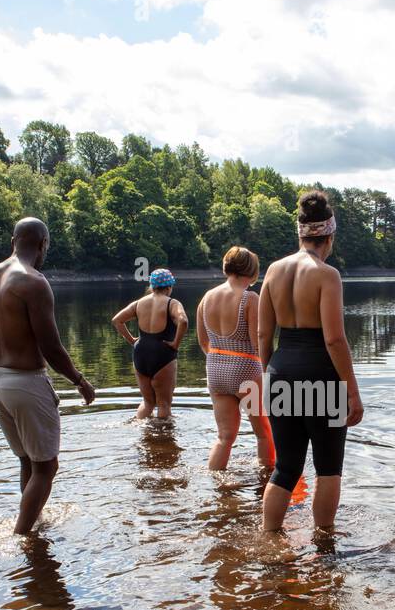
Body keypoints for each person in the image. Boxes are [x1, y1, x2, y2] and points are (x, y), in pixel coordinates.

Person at [0, 217, 96, 535]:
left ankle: (33, 521)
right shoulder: (33, 282)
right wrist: (79, 380)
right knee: (47, 467)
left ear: (13, 241)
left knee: (27, 460)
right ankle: (21, 536)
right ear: (43, 244)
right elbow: (51, 347)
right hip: (26, 383)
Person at [258, 190, 364, 531]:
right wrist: (353, 392)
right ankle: (323, 544)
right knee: (328, 468)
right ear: (329, 237)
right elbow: (334, 339)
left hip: (280, 370)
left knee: (286, 467)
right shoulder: (326, 275)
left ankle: (269, 537)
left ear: (300, 233)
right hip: (321, 375)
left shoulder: (273, 271)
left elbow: (263, 334)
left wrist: (268, 374)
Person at [196, 246, 275, 470]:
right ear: (252, 273)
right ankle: (266, 477)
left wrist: (221, 361)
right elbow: (257, 340)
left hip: (216, 371)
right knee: (263, 432)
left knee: (225, 437)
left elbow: (203, 341)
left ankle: (215, 483)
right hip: (246, 371)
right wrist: (268, 370)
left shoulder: (207, 298)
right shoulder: (250, 298)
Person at [112, 268, 188, 420]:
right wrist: (175, 344)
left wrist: (132, 340)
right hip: (163, 354)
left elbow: (117, 320)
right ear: (169, 287)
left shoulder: (139, 303)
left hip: (141, 353)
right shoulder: (172, 303)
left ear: (152, 286)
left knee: (148, 403)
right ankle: (163, 440)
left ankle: (141, 431)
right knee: (164, 404)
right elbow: (183, 321)